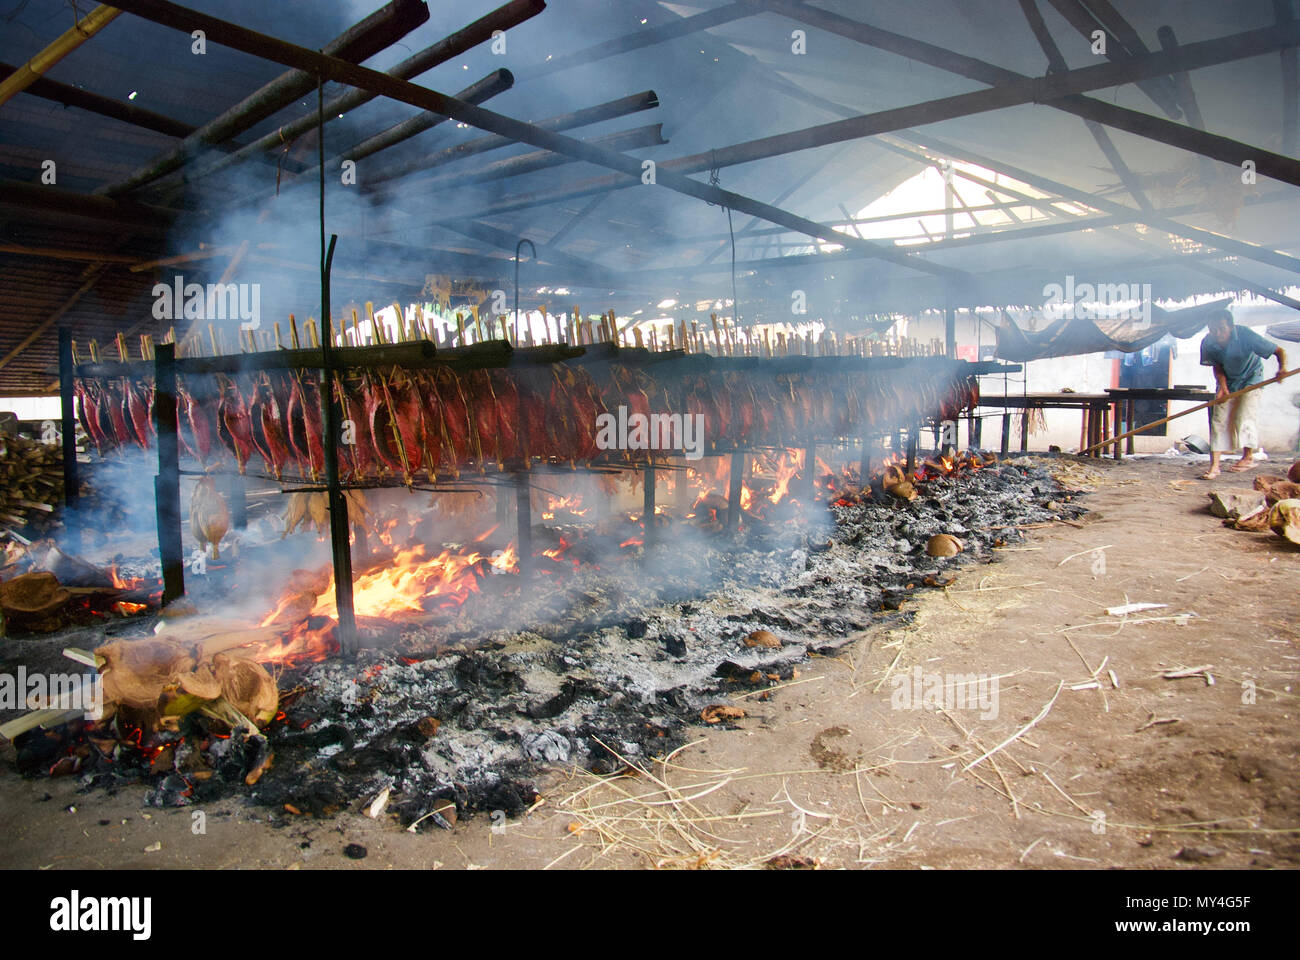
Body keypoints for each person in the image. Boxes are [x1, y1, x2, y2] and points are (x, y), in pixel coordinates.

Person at [1198, 309, 1286, 479]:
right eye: (1212, 328)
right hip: (1229, 381)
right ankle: (1215, 466)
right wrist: (1223, 387)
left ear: (1231, 326)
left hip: (1251, 378)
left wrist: (1281, 368)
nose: (1217, 333)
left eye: (1222, 328)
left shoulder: (1245, 335)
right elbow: (1217, 366)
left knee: (1244, 415)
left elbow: (1278, 351)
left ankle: (1248, 457)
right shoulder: (1208, 342)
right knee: (1218, 420)